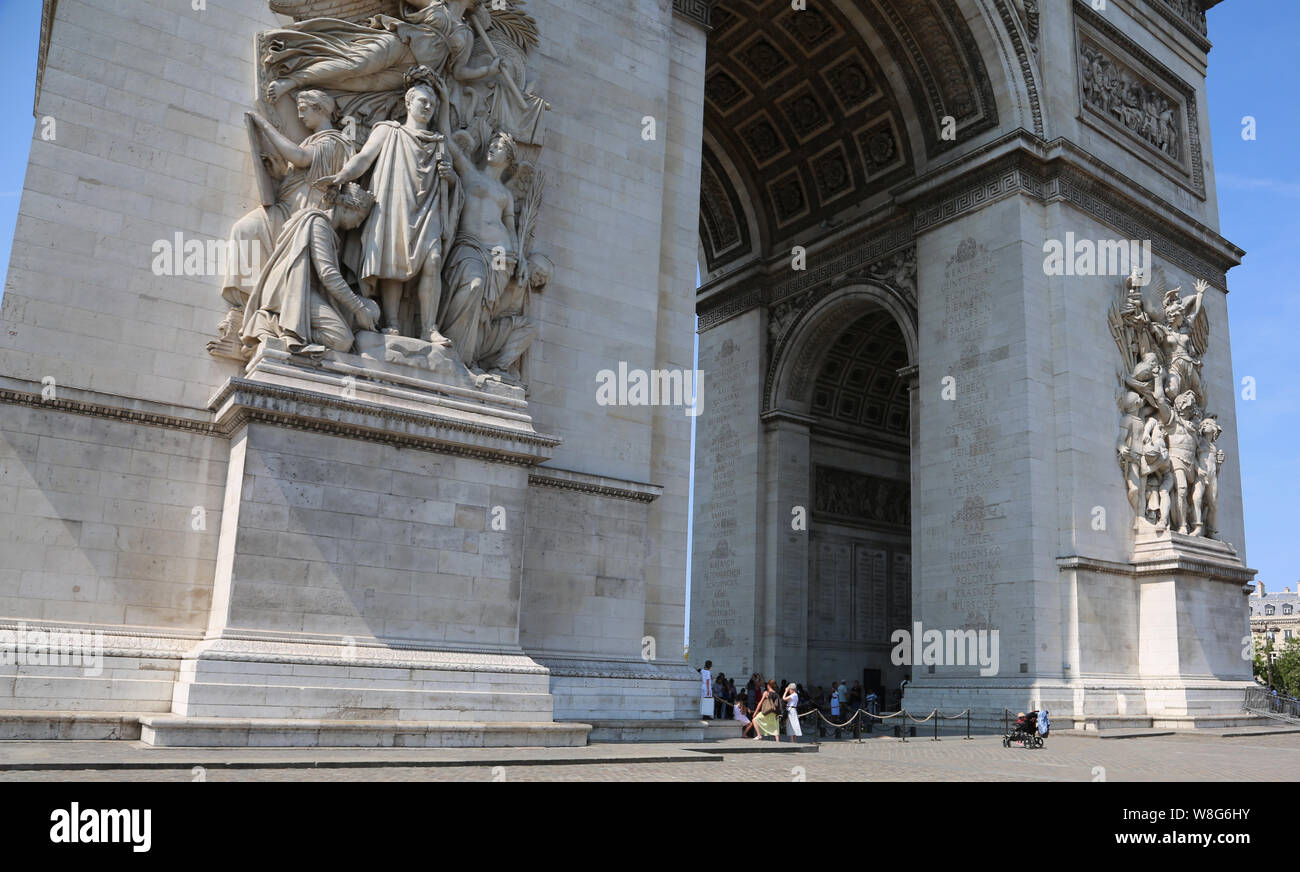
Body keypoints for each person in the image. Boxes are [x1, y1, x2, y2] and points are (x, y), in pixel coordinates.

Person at [317, 71, 460, 341]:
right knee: (393, 261)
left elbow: (451, 183)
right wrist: (340, 177)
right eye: (422, 101)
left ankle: (430, 328)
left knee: (434, 260)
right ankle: (391, 322)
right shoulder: (388, 131)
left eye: (432, 103)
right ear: (408, 103)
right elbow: (364, 158)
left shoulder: (439, 142)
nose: (428, 107)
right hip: (394, 206)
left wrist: (450, 179)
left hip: (428, 207)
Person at [240, 183, 380, 356]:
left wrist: (364, 307)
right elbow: (328, 274)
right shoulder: (318, 223)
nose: (358, 225)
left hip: (306, 291)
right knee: (341, 340)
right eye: (359, 218)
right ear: (346, 207)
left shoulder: (326, 229)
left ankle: (297, 329)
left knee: (371, 308)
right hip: (291, 292)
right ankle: (271, 325)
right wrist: (358, 308)